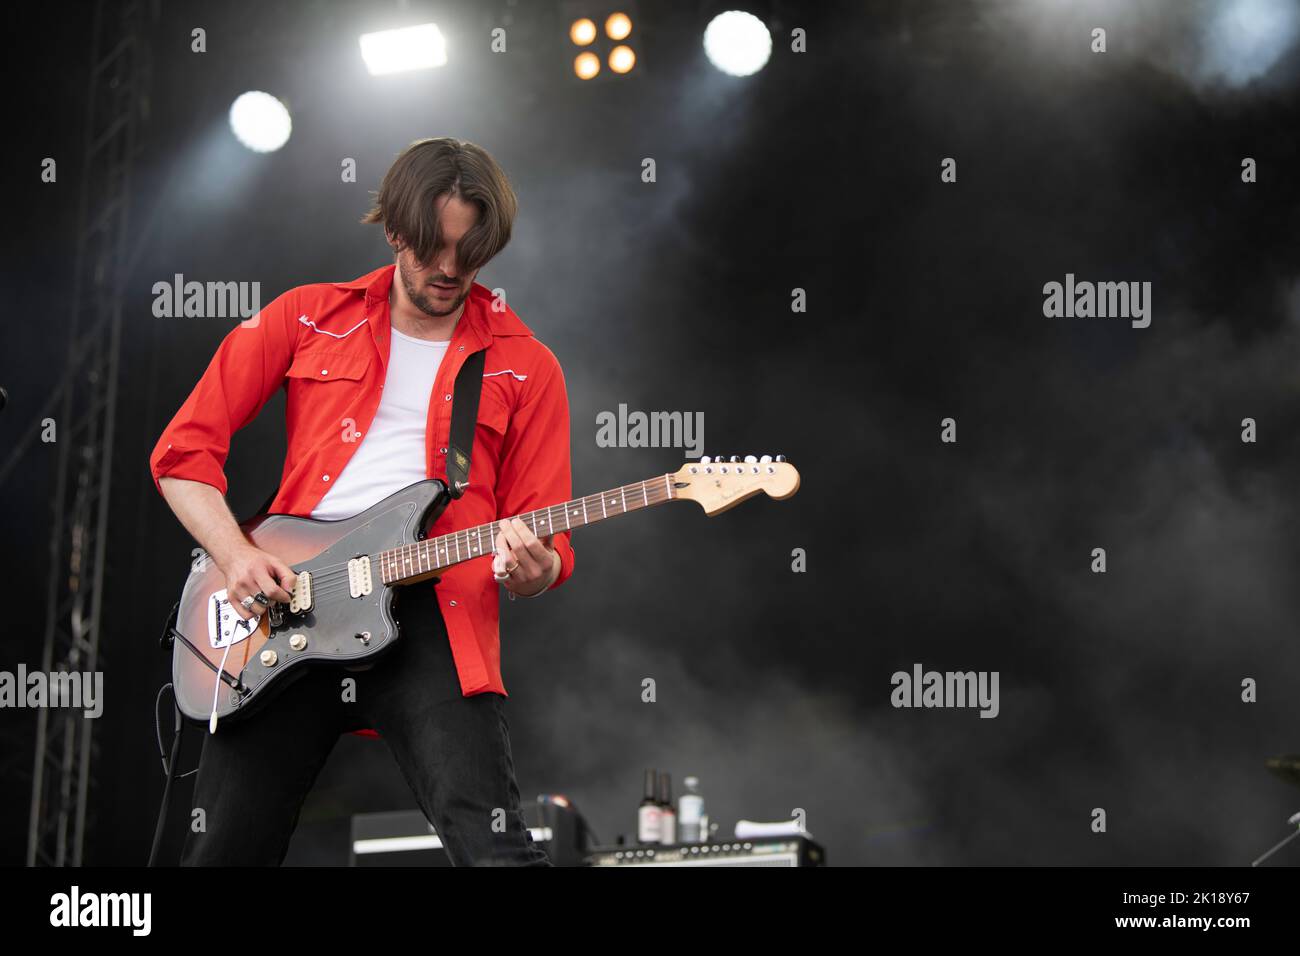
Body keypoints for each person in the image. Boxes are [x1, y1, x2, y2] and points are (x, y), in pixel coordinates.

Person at [149, 137, 574, 866]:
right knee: (222, 852)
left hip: (437, 615)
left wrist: (530, 569)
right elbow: (182, 456)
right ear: (395, 231)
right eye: (432, 248)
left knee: (496, 850)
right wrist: (237, 556)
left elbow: (549, 551)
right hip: (286, 609)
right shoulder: (307, 315)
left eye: (469, 253)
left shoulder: (526, 364)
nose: (449, 270)